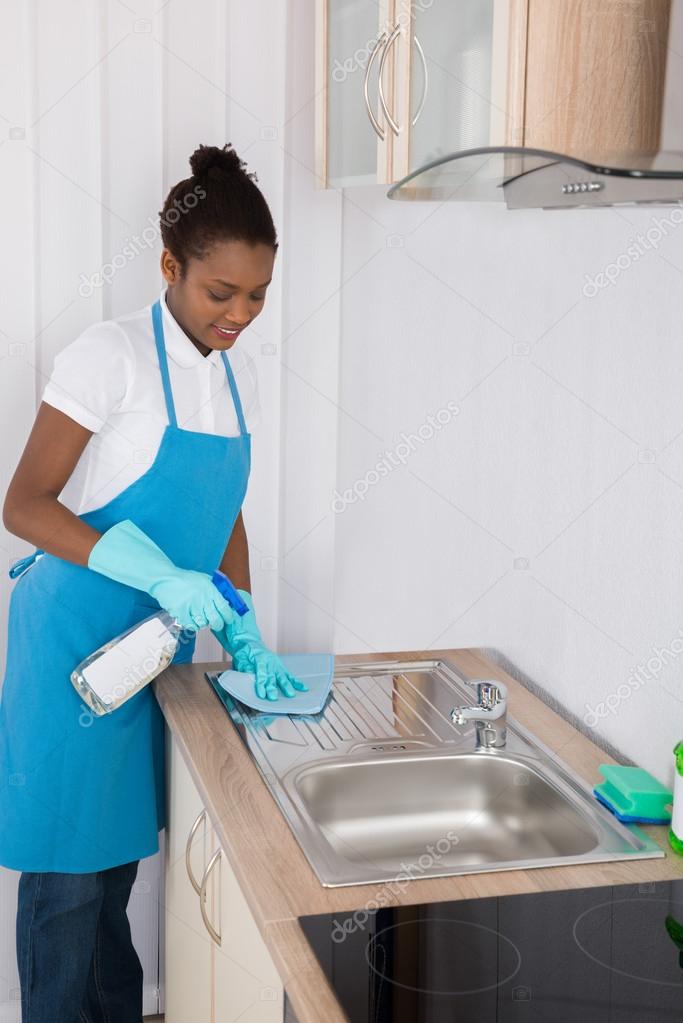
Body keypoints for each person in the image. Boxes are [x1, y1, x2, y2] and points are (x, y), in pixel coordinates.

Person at [0, 142, 306, 1022]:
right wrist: (156, 570)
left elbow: (226, 512)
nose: (239, 315)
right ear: (170, 266)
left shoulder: (231, 374)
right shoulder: (111, 354)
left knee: (115, 875)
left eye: (256, 296)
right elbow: (24, 503)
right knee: (66, 884)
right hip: (71, 645)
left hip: (147, 656)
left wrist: (241, 623)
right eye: (220, 293)